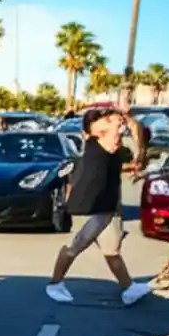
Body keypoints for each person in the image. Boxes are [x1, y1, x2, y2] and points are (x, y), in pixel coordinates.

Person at [46, 106, 150, 306]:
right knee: (74, 247)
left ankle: (129, 289)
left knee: (112, 250)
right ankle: (55, 283)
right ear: (97, 131)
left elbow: (134, 131)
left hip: (105, 208)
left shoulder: (110, 148)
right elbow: (128, 127)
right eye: (111, 122)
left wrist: (126, 119)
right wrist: (123, 118)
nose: (118, 128)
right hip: (90, 207)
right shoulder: (97, 143)